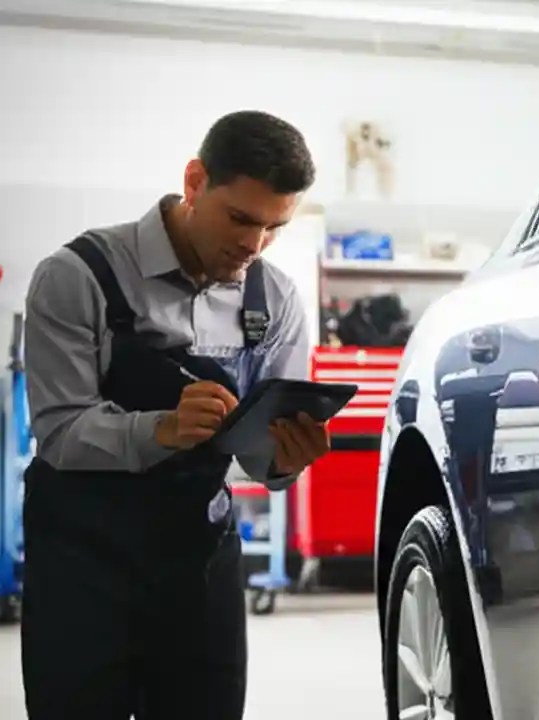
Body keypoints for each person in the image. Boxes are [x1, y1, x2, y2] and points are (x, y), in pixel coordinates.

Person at [20, 110, 330, 719]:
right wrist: (160, 428)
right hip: (84, 563)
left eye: (274, 227)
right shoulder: (77, 276)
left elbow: (259, 455)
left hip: (200, 557)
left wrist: (283, 461)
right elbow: (58, 431)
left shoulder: (276, 298)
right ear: (194, 182)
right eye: (240, 218)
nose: (254, 244)